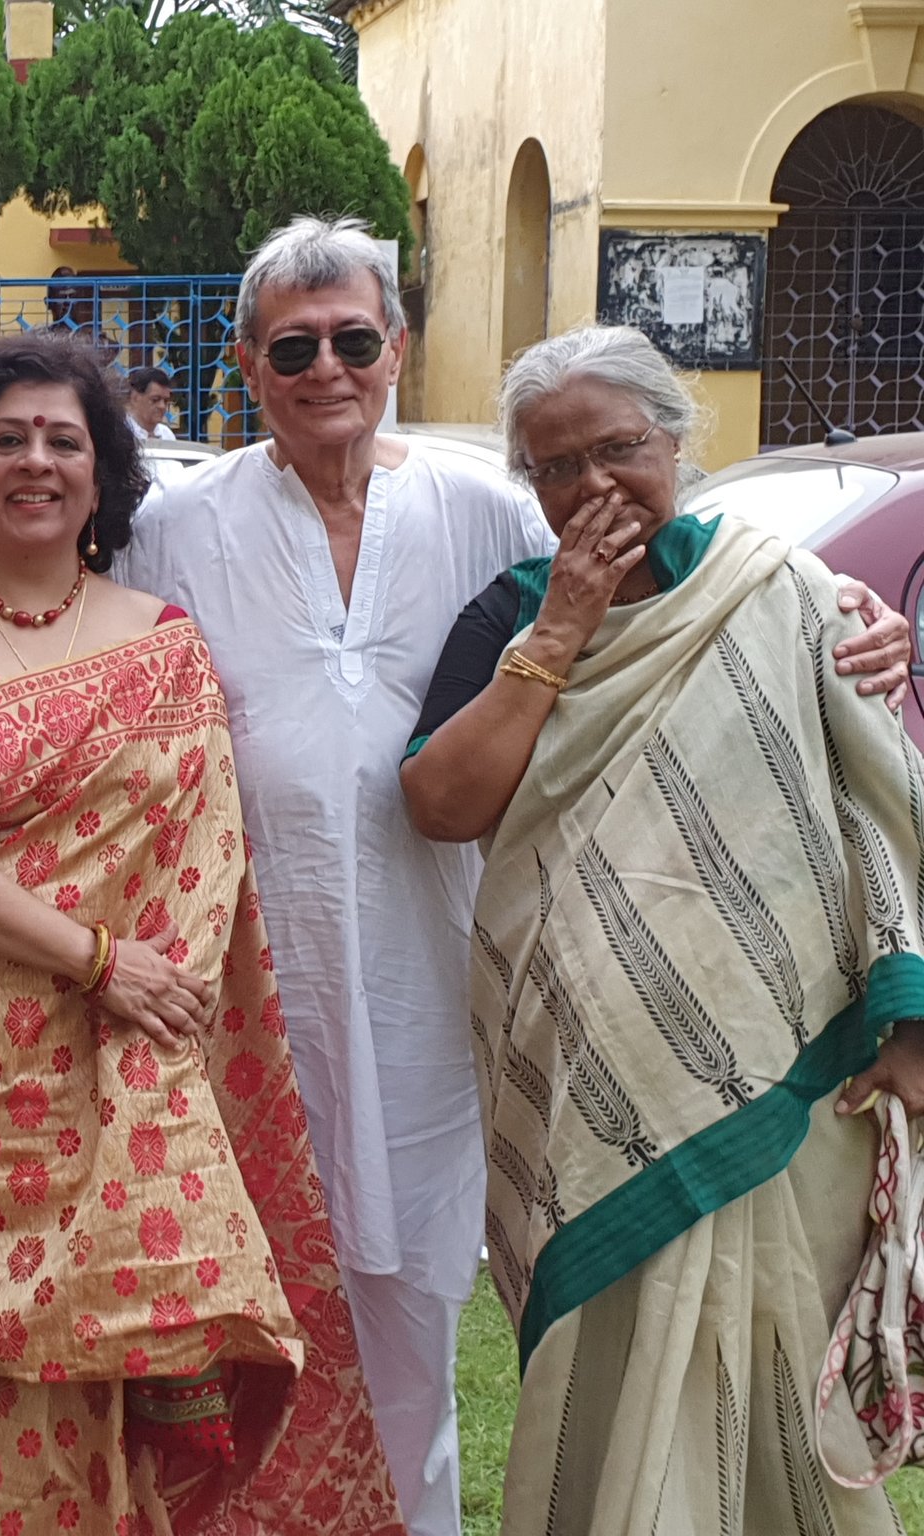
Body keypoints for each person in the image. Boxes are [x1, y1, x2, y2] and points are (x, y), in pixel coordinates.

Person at [0, 216, 916, 1536]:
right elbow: (22, 606)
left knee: (411, 1338)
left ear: (397, 348)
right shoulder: (178, 530)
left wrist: (852, 617)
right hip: (227, 1020)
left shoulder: (487, 509)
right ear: (247, 364)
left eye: (351, 339)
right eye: (292, 347)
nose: (325, 368)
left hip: (435, 1003)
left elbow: (665, 596)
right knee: (237, 1335)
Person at [0, 332, 403, 1536]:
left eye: (62, 441)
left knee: (90, 1367)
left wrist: (125, 990)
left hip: (108, 1080)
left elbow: (197, 861)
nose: (34, 463)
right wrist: (100, 964)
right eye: (4, 439)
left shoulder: (162, 640)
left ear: (99, 474)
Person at [399, 324, 924, 1534]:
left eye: (616, 450)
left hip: (788, 1077)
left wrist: (904, 1030)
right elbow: (439, 803)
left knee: (778, 1365)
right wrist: (563, 625)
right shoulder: (511, 612)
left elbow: (876, 810)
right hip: (589, 1073)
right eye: (553, 466)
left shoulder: (779, 591)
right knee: (608, 1359)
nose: (589, 486)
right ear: (525, 484)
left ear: (674, 446)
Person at [126, 365, 177, 440]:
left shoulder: (166, 434)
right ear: (135, 398)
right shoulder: (121, 433)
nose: (162, 406)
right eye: (155, 400)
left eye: (166, 401)